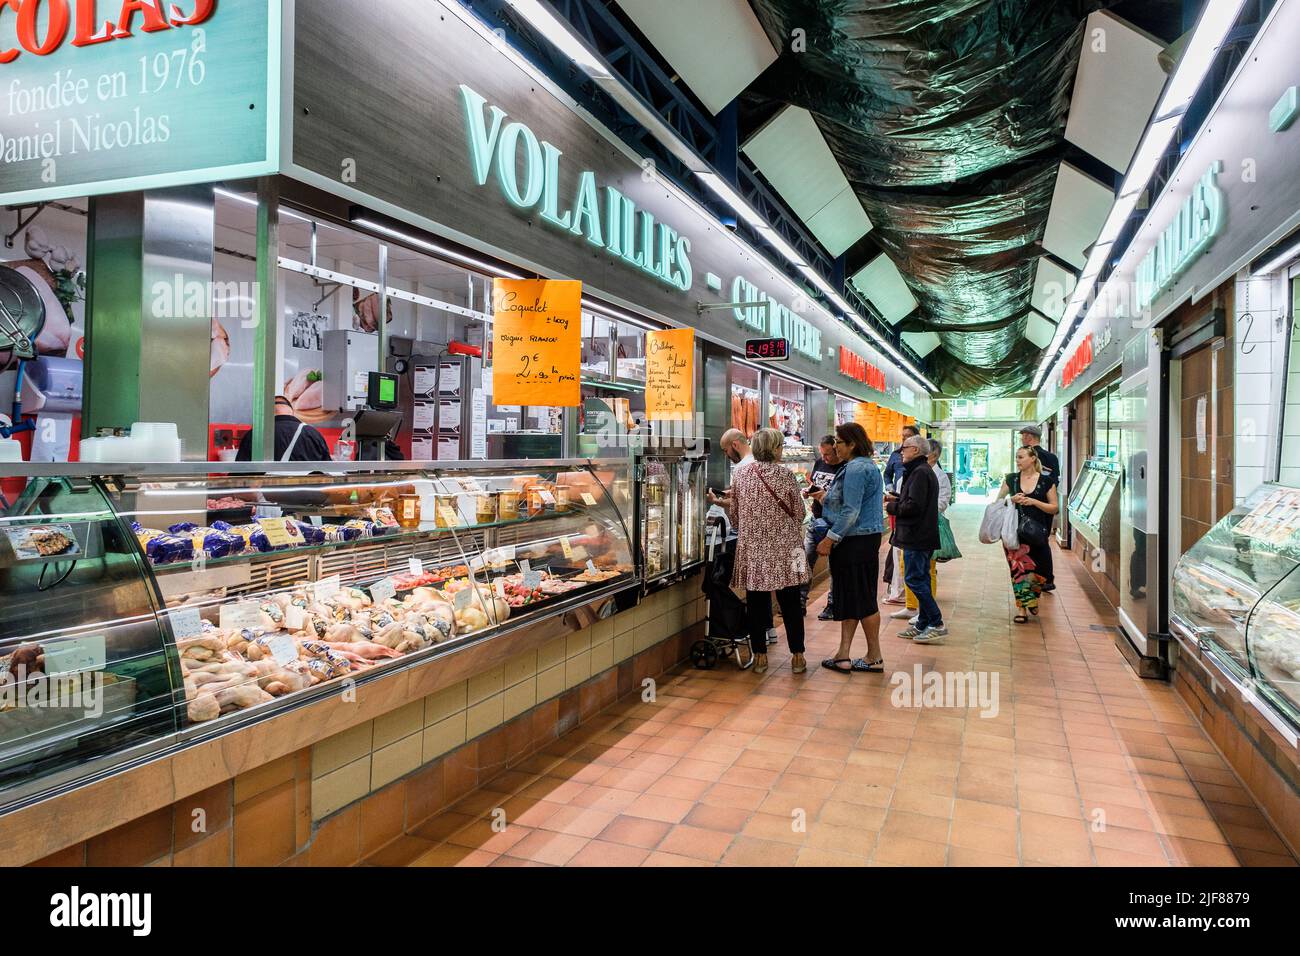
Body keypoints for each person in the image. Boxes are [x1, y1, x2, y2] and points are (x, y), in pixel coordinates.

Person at [723, 428, 809, 675]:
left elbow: (736, 517)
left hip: (753, 549)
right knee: (790, 603)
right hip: (787, 549)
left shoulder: (740, 474)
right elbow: (800, 513)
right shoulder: (786, 475)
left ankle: (760, 657)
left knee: (757, 603)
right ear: (774, 449)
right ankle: (798, 657)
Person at [813, 423, 885, 673]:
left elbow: (851, 511)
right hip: (861, 539)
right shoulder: (865, 466)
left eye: (839, 442)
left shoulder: (855, 468)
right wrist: (825, 497)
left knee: (863, 598)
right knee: (852, 597)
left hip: (854, 541)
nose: (835, 447)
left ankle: (874, 656)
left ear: (852, 444)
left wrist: (830, 538)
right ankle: (843, 654)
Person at [887, 434, 945, 643]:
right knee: (920, 579)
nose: (901, 451)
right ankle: (922, 623)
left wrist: (891, 506)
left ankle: (936, 622)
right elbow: (913, 500)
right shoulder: (920, 471)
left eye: (905, 447)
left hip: (917, 536)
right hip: (918, 535)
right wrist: (898, 497)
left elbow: (914, 507)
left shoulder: (920, 473)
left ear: (916, 451)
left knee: (914, 579)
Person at [998, 446, 1060, 623]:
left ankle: (1032, 597)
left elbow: (1054, 507)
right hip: (1015, 535)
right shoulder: (1011, 479)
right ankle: (1022, 610)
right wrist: (1012, 500)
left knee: (1042, 571)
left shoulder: (1046, 482)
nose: (1017, 460)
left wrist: (1033, 501)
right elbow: (997, 502)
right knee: (1019, 572)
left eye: (1021, 457)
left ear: (1033, 458)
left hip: (1038, 534)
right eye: (1016, 457)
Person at [802, 435, 843, 619]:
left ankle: (832, 604)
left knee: (835, 567)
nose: (824, 458)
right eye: (822, 454)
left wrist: (823, 496)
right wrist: (809, 491)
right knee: (802, 563)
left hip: (835, 525)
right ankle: (799, 601)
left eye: (827, 454)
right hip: (815, 521)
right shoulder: (819, 463)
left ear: (837, 450)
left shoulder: (845, 468)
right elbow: (815, 484)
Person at [1019, 424, 1059, 591]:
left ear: (1029, 437)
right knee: (1043, 541)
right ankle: (1047, 578)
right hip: (1047, 505)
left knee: (1029, 541)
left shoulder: (1031, 458)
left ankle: (1034, 577)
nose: (1022, 439)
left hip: (1030, 507)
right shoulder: (1052, 457)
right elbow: (1055, 481)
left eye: (1023, 436)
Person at [882, 423, 919, 602]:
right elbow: (887, 474)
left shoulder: (921, 464)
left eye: (908, 436)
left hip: (906, 506)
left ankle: (901, 586)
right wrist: (890, 487)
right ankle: (896, 584)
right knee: (896, 542)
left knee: (899, 546)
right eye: (902, 436)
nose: (903, 439)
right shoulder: (895, 455)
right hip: (897, 500)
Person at [236, 395, 332, 462]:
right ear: (292, 412)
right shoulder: (314, 434)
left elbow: (240, 473)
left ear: (266, 413)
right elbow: (328, 470)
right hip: (307, 490)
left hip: (269, 490)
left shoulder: (256, 435)